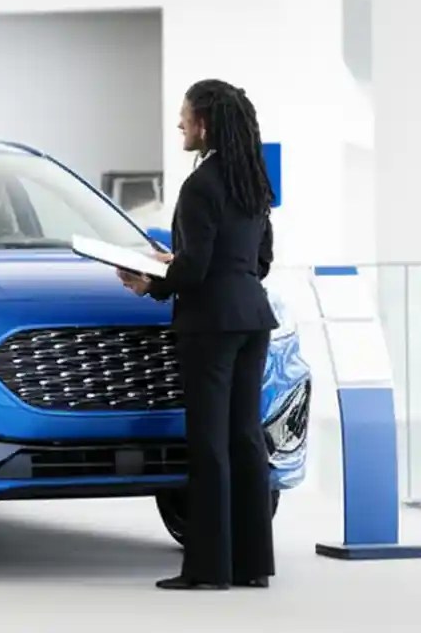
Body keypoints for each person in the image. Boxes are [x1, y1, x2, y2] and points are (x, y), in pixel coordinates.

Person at [117, 79, 278, 590]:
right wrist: (180, 263)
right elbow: (259, 262)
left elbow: (194, 273)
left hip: (210, 326)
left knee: (208, 445)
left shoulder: (200, 184)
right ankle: (252, 566)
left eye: (185, 116)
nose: (180, 125)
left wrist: (150, 280)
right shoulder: (252, 182)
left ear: (204, 124)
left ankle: (208, 570)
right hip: (253, 318)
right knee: (247, 440)